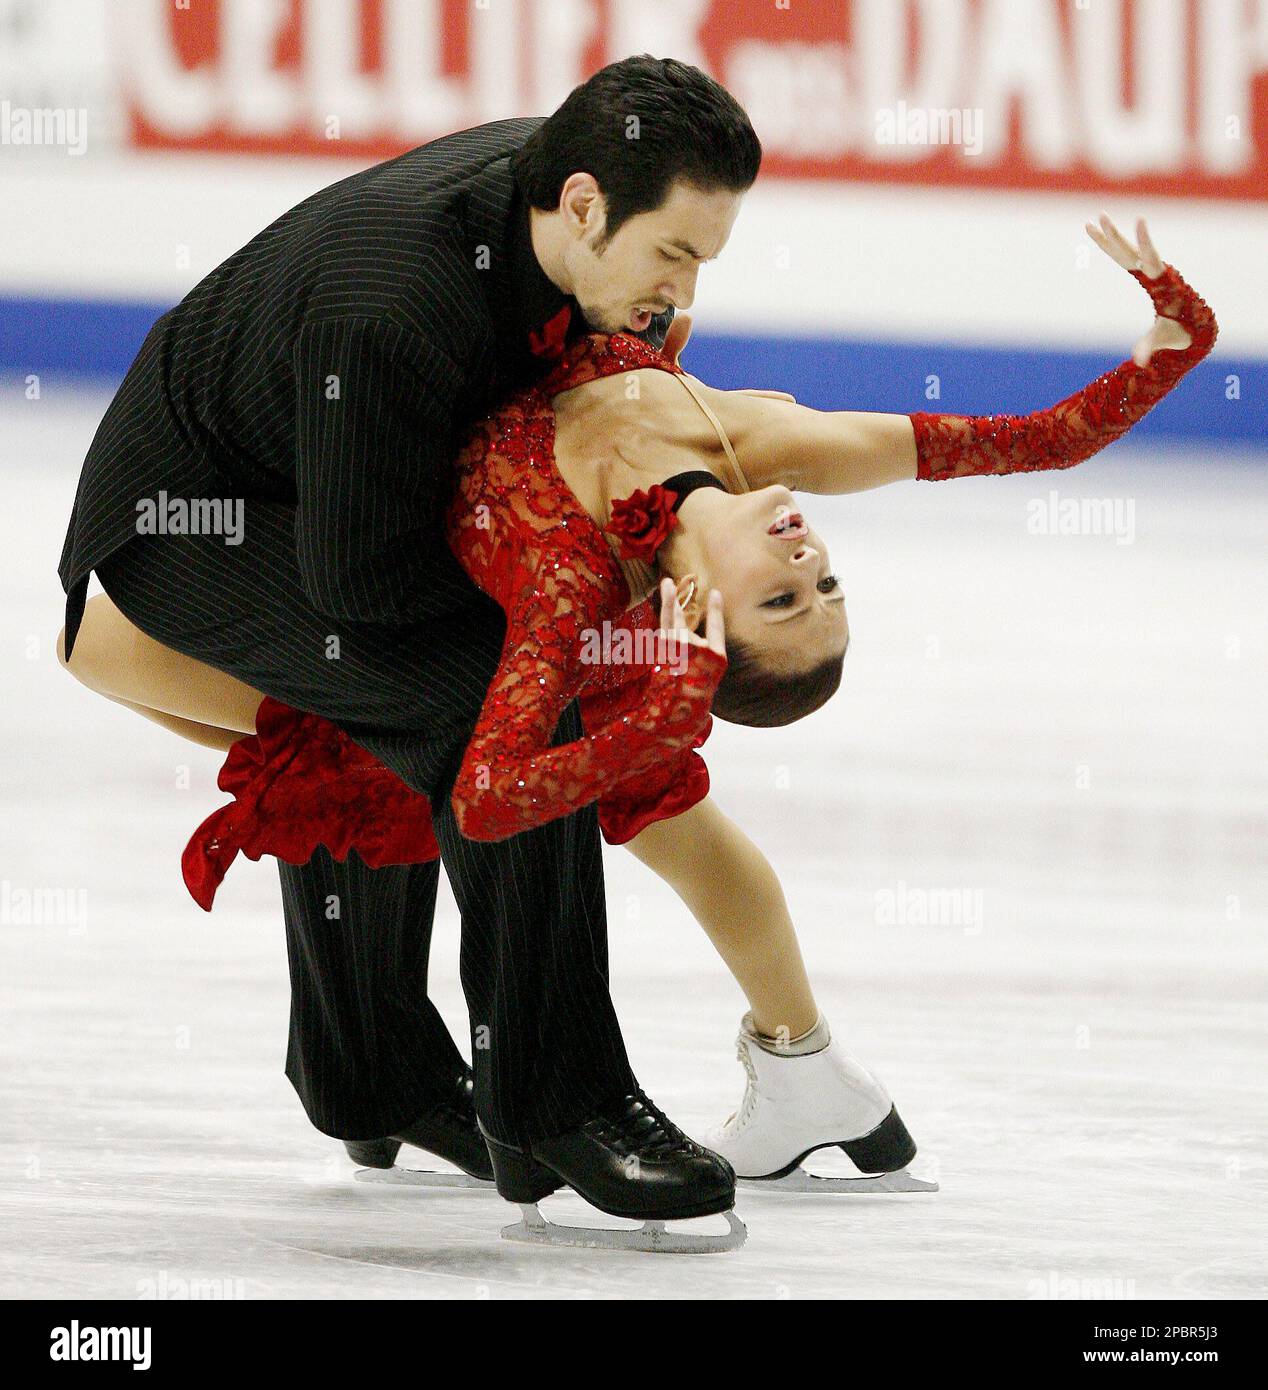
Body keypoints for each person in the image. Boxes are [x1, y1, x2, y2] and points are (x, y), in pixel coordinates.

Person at [62, 216, 1215, 1194]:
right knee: (546, 800)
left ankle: (380, 1072)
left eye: (781, 596)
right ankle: (784, 1064)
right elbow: (1019, 443)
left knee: (335, 745)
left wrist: (646, 725)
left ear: (697, 609)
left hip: (301, 615)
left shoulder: (576, 591)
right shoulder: (760, 435)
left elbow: (501, 791)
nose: (807, 558)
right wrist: (1170, 344)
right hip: (296, 536)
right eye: (826, 583)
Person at [56, 56, 772, 1245]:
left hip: (307, 494)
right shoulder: (394, 303)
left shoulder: (542, 210)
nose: (681, 289)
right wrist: (560, 628)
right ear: (586, 205)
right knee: (495, 707)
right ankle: (562, 1103)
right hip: (185, 523)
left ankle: (371, 1072)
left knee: (411, 705)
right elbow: (363, 586)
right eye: (675, 255)